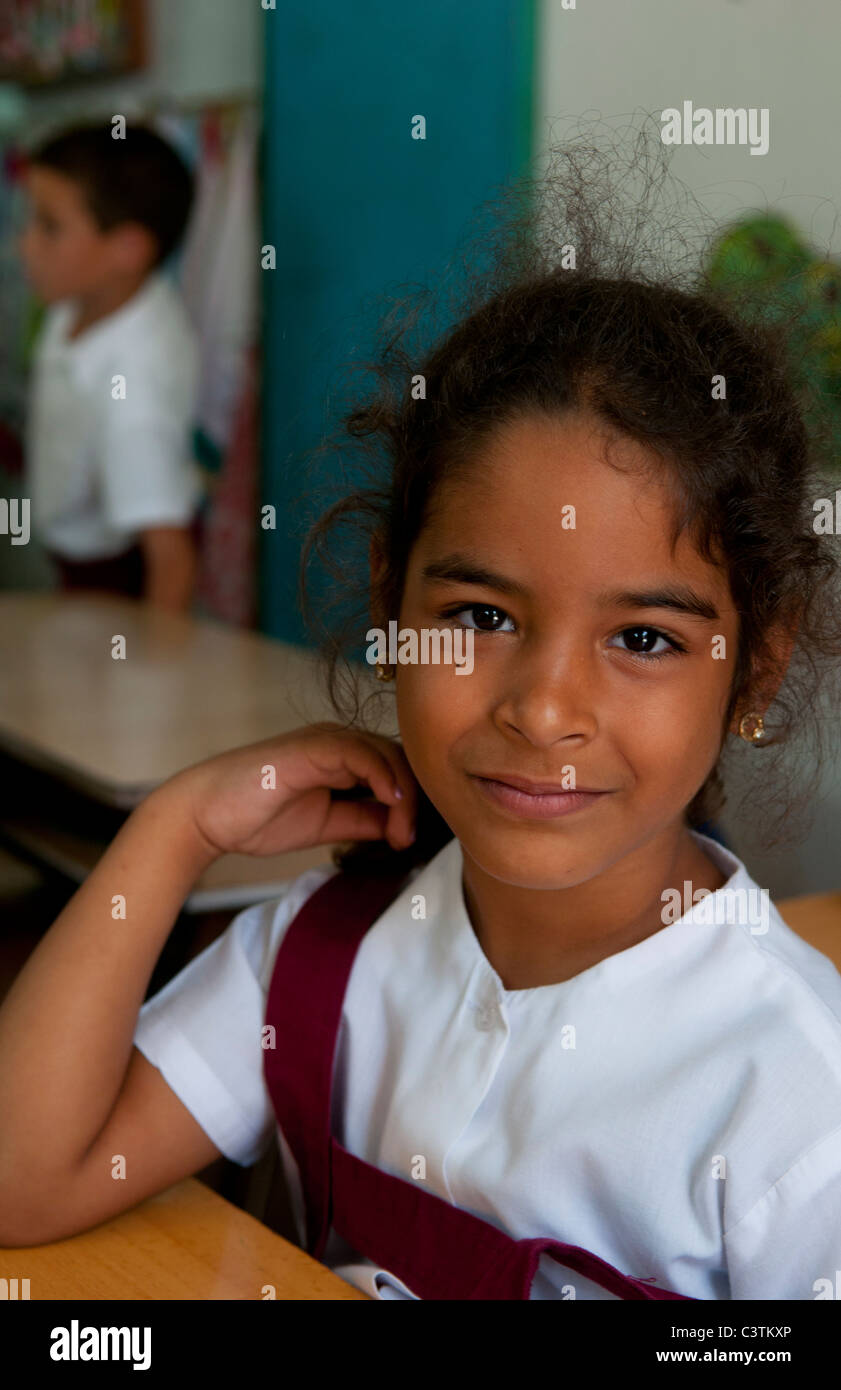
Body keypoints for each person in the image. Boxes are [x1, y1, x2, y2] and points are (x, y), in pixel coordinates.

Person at [1, 134, 841, 1301]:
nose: (544, 706)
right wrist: (179, 827)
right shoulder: (319, 952)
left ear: (752, 673)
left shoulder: (800, 1097)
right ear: (392, 595)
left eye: (642, 638)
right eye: (482, 615)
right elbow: (23, 1182)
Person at [18, 123, 204, 611]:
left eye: (49, 226)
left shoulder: (134, 389)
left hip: (117, 580)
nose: (26, 244)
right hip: (75, 551)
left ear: (127, 249)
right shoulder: (87, 298)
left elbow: (171, 560)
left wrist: (152, 682)